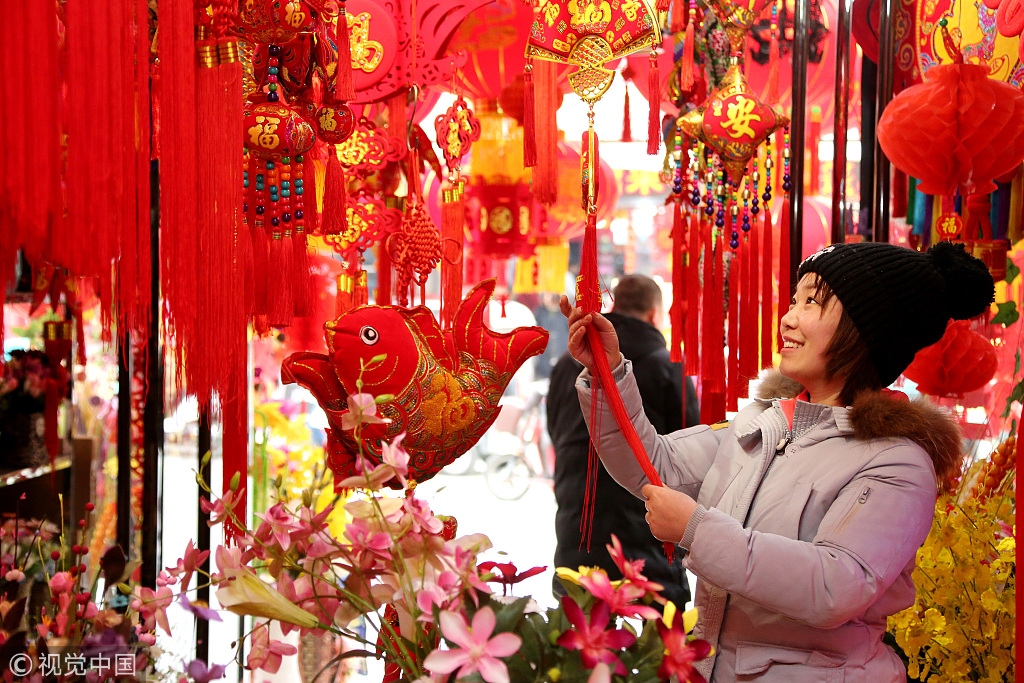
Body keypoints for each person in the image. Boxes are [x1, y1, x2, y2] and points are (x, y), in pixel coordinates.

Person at [560, 241, 994, 682]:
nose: (788, 317)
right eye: (793, 300)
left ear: (865, 332)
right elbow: (653, 465)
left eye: (812, 302)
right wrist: (609, 373)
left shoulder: (897, 461)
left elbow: (834, 586)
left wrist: (697, 529)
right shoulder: (763, 422)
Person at [548, 274, 699, 609]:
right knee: (651, 657)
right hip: (649, 553)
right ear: (654, 315)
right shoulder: (670, 368)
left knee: (582, 654)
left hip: (577, 542)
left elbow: (556, 435)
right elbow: (689, 460)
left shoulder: (566, 363)